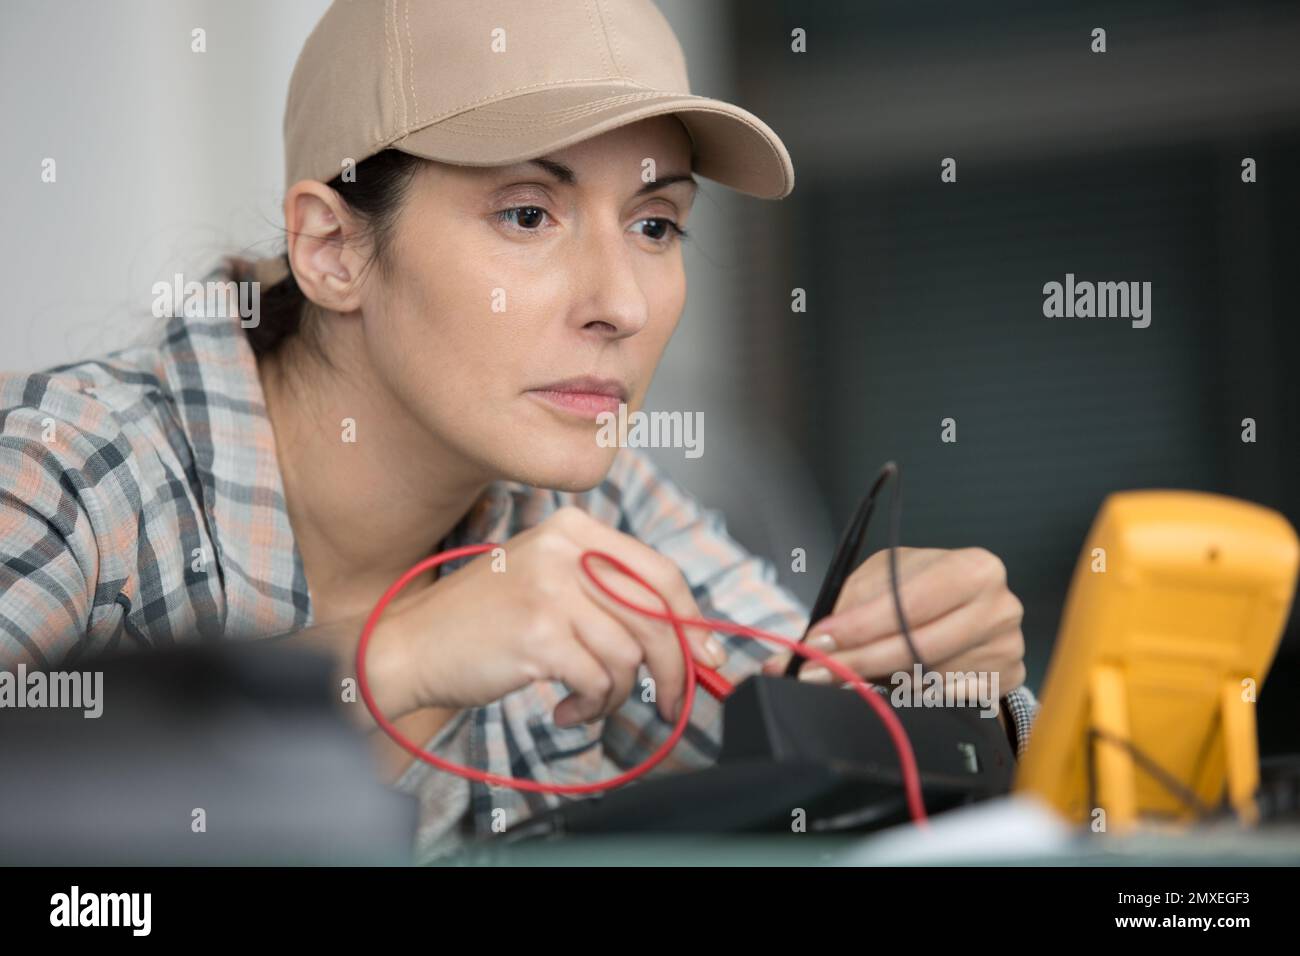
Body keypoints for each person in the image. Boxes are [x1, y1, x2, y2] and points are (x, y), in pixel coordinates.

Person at [0, 0, 1036, 861]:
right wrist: (396, 661)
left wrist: (933, 687)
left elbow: (814, 757)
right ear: (330, 248)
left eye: (654, 224)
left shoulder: (599, 500)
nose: (619, 303)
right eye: (527, 214)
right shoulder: (72, 470)